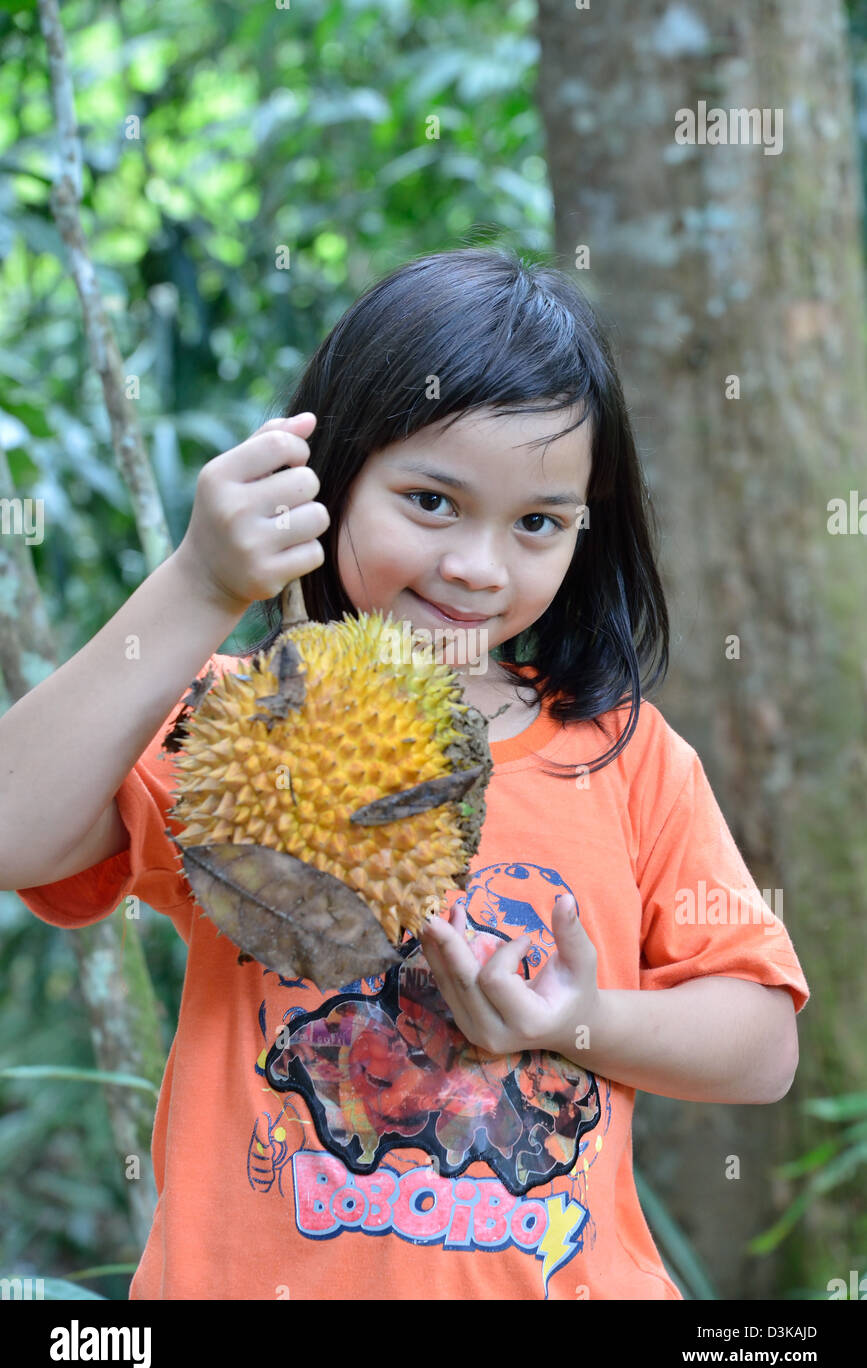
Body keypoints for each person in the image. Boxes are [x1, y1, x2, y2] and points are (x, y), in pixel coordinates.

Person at [2, 247, 809, 1300]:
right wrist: (201, 579)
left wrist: (575, 1020)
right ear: (330, 479)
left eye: (537, 523)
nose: (479, 565)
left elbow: (760, 1044)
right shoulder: (240, 715)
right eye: (432, 500)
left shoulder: (624, 751)